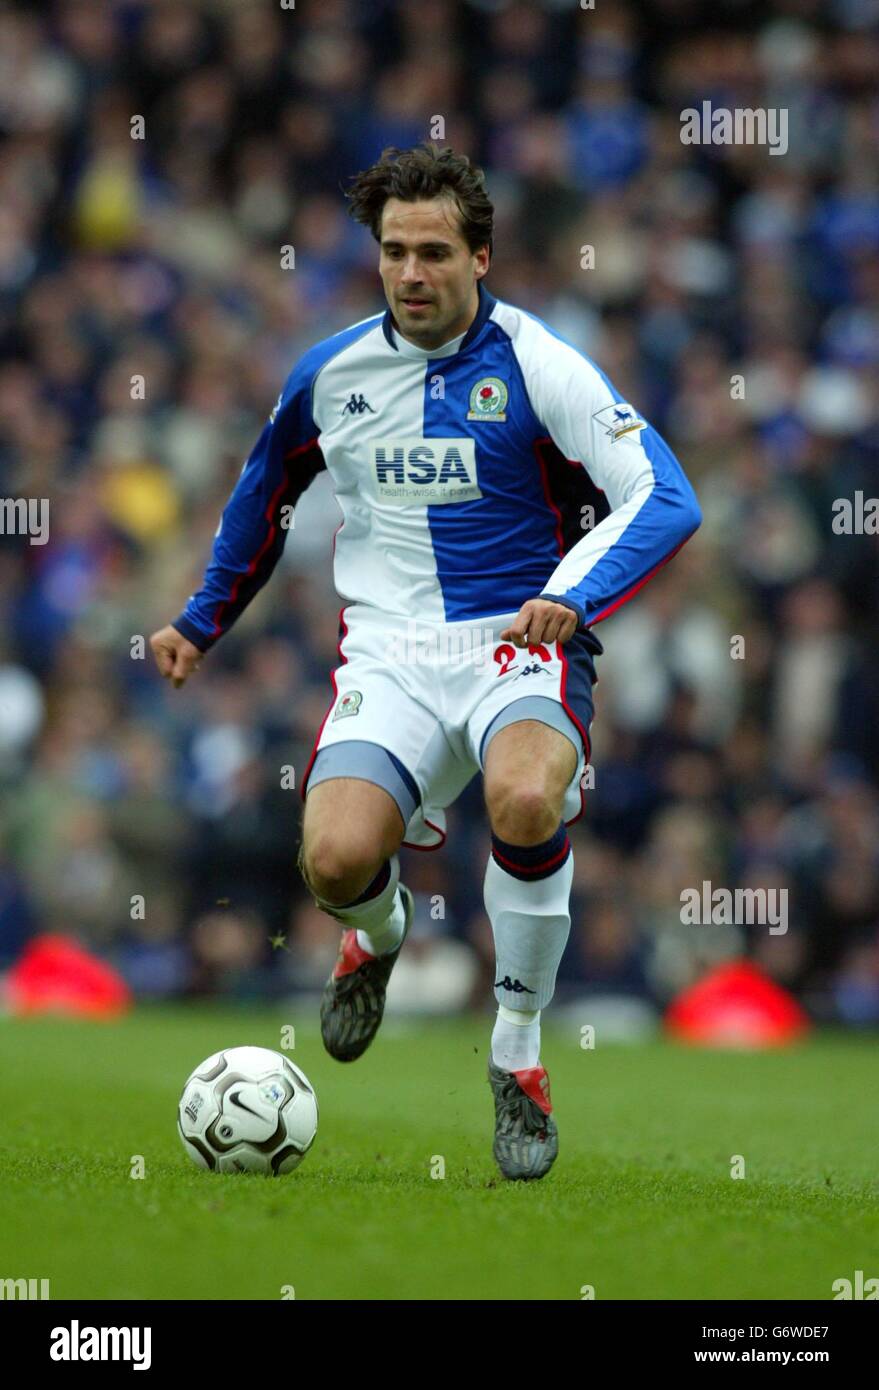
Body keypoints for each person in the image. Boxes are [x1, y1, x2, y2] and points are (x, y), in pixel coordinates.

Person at [150, 144, 701, 1181]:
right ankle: (379, 931)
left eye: (436, 252)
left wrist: (572, 596)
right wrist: (200, 621)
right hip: (393, 656)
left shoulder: (541, 362)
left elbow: (665, 496)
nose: (412, 272)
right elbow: (262, 500)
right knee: (334, 863)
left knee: (528, 799)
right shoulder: (331, 372)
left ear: (481, 257)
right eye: (395, 251)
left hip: (517, 641)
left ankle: (518, 1053)